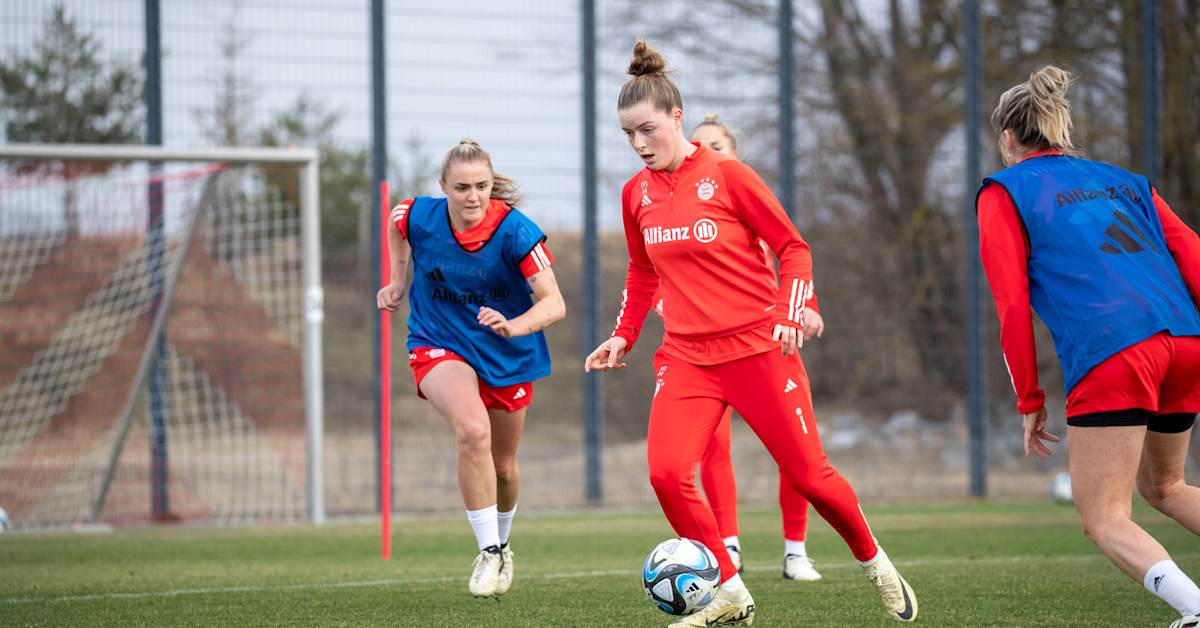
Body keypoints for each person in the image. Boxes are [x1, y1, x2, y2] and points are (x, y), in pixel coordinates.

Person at [585, 41, 917, 626]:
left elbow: (793, 247)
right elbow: (641, 272)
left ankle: (878, 566)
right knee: (666, 474)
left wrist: (791, 312)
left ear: (676, 117)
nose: (638, 144)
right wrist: (624, 335)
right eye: (627, 135)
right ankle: (732, 595)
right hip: (687, 358)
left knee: (811, 477)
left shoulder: (729, 175)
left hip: (759, 350)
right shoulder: (634, 195)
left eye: (647, 129)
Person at [978, 66, 1200, 628]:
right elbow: (1194, 255)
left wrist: (1029, 400)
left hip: (1115, 351)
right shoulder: (1127, 181)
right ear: (1061, 128)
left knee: (1103, 516)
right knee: (1167, 487)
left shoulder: (1003, 191)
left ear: (1008, 138)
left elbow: (1011, 308)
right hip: (1186, 341)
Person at [377, 138, 566, 598]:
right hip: (438, 341)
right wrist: (397, 280)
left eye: (482, 186)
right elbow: (395, 224)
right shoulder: (418, 216)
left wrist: (513, 325)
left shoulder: (517, 232)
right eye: (461, 187)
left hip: (507, 351)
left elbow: (554, 303)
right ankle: (488, 552)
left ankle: (503, 543)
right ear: (444, 187)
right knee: (472, 430)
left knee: (503, 467)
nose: (473, 196)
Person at [664, 114, 825, 582]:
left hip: (763, 343)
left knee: (793, 455)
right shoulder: (681, 207)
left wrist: (802, 308)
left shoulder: (746, 196)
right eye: (700, 145)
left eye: (717, 144)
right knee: (711, 448)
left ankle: (795, 550)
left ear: (733, 151)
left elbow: (790, 256)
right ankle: (727, 546)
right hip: (701, 354)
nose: (707, 151)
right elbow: (661, 270)